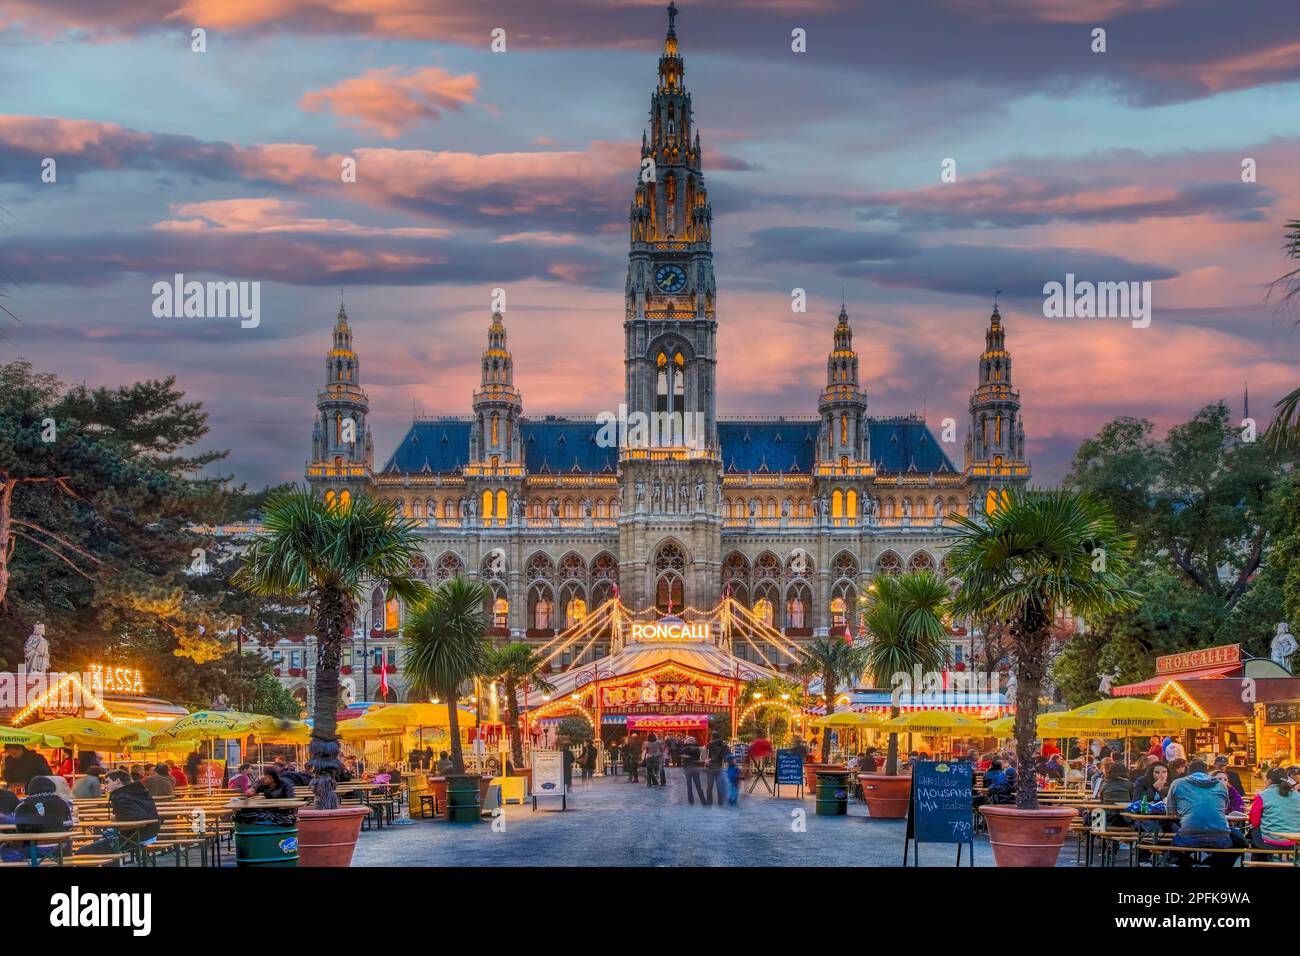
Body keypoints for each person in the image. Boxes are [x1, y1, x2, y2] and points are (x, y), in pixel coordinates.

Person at [1166, 759, 1243, 867]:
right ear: (1207, 771)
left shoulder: (1177, 783)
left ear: (1188, 771)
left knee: (1170, 850)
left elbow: (1170, 812)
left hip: (1189, 836)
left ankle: (1193, 865)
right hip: (1220, 837)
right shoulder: (1221, 785)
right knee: (1239, 843)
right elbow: (1223, 808)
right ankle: (1210, 864)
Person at [76, 770, 160, 856]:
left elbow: (134, 817)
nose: (105, 786)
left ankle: (108, 859)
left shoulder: (123, 797)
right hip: (150, 833)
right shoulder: (136, 791)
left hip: (136, 836)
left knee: (82, 852)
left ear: (118, 781)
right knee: (102, 836)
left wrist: (115, 818)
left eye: (107, 782)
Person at [1249, 767, 1300, 851]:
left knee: (1254, 830)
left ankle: (1259, 862)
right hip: (1295, 841)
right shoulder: (1297, 795)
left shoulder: (1262, 795)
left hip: (1270, 841)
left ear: (1269, 780)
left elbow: (1254, 820)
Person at [1098, 762, 1134, 827]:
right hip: (1126, 820)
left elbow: (1101, 801)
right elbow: (1133, 799)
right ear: (1125, 772)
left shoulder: (1105, 784)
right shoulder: (1129, 784)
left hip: (1108, 819)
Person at [680, 735, 707, 806]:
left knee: (689, 786)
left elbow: (680, 754)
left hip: (688, 768)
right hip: (695, 768)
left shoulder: (685, 748)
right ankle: (703, 801)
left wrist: (686, 757)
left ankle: (691, 802)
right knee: (698, 786)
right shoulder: (697, 748)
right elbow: (698, 757)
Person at [705, 731, 728, 808]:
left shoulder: (709, 745)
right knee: (719, 786)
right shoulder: (723, 745)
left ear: (712, 736)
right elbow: (726, 756)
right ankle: (720, 802)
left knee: (709, 786)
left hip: (710, 768)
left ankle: (709, 802)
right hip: (719, 767)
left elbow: (705, 756)